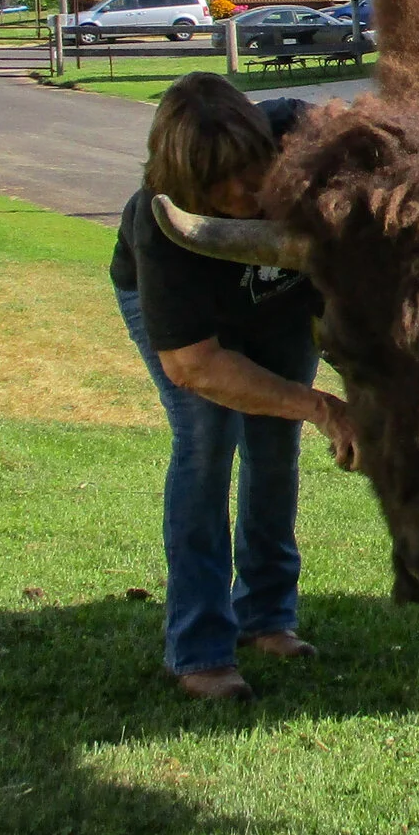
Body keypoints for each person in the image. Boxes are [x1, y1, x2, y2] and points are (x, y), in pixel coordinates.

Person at [111, 73, 351, 701]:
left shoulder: (303, 136)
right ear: (185, 183)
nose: (245, 191)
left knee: (275, 451)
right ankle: (199, 650)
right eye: (219, 183)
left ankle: (268, 617)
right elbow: (195, 366)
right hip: (196, 326)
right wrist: (324, 407)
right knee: (206, 448)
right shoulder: (158, 222)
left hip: (278, 301)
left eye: (251, 168)